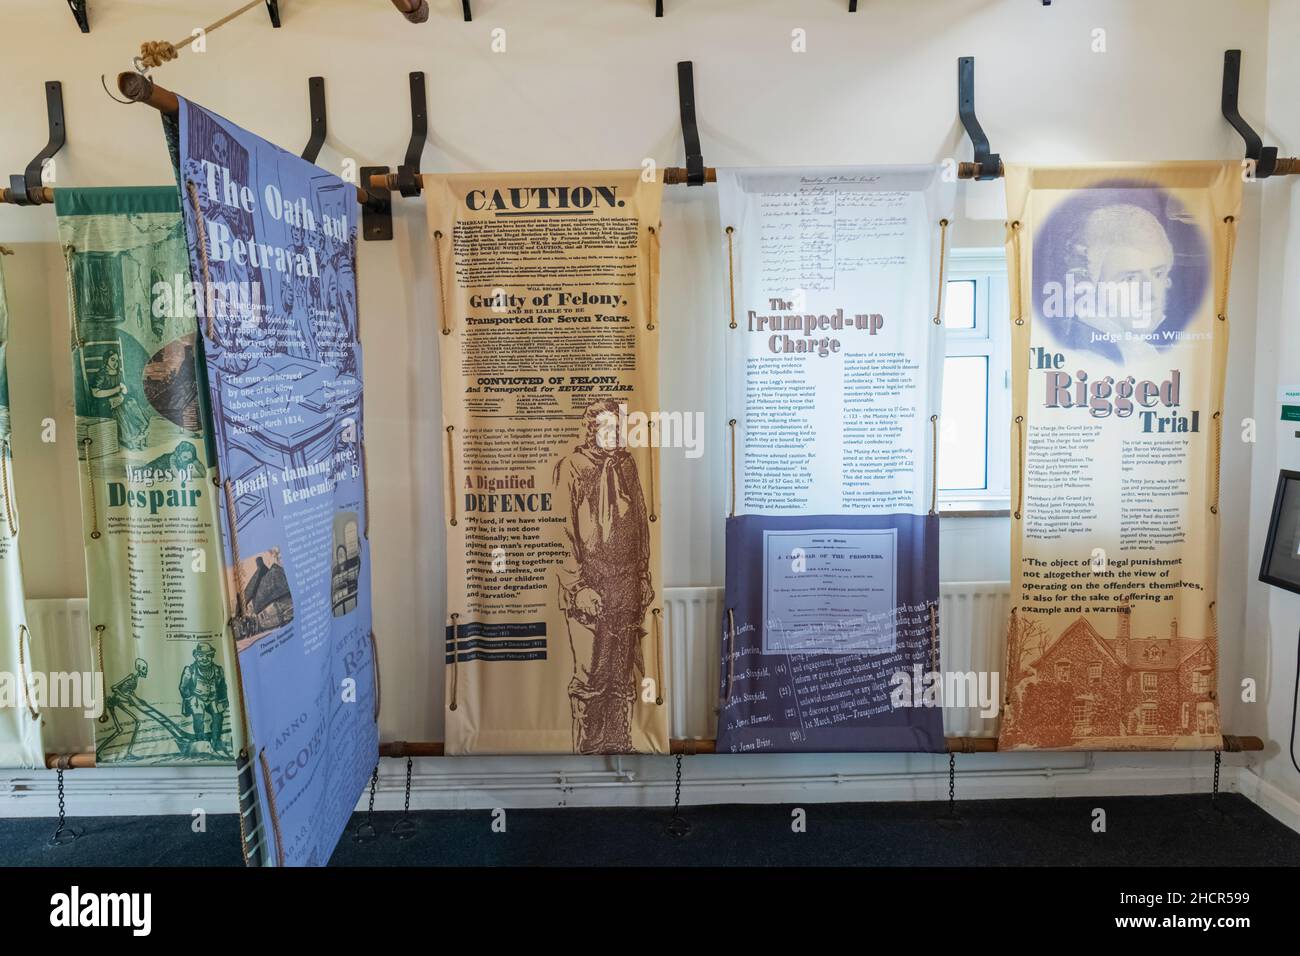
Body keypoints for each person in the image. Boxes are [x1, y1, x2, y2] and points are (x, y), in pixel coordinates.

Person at [552, 399, 653, 754]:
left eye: (619, 428)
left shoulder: (627, 465)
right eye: (607, 428)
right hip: (589, 586)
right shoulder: (572, 467)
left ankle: (620, 743)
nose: (615, 435)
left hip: (625, 585)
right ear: (592, 430)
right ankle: (588, 748)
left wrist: (642, 574)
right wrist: (577, 585)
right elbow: (560, 531)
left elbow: (640, 523)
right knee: (592, 676)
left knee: (621, 676)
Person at [91, 351, 151, 451]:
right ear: (106, 361)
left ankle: (140, 431)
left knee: (131, 403)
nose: (115, 363)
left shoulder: (117, 373)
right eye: (112, 360)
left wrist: (122, 390)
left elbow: (123, 387)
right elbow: (95, 393)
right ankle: (127, 437)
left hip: (117, 398)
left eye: (117, 360)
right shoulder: (101, 374)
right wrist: (116, 390)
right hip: (103, 402)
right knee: (120, 410)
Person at [179, 643, 229, 755]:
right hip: (197, 698)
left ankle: (216, 740)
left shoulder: (218, 670)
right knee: (198, 715)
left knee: (218, 715)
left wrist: (223, 701)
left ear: (212, 656)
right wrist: (190, 698)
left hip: (212, 698)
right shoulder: (189, 670)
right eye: (201, 655)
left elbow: (222, 687)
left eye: (208, 655)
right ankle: (200, 739)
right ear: (196, 656)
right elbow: (183, 687)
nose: (204, 658)